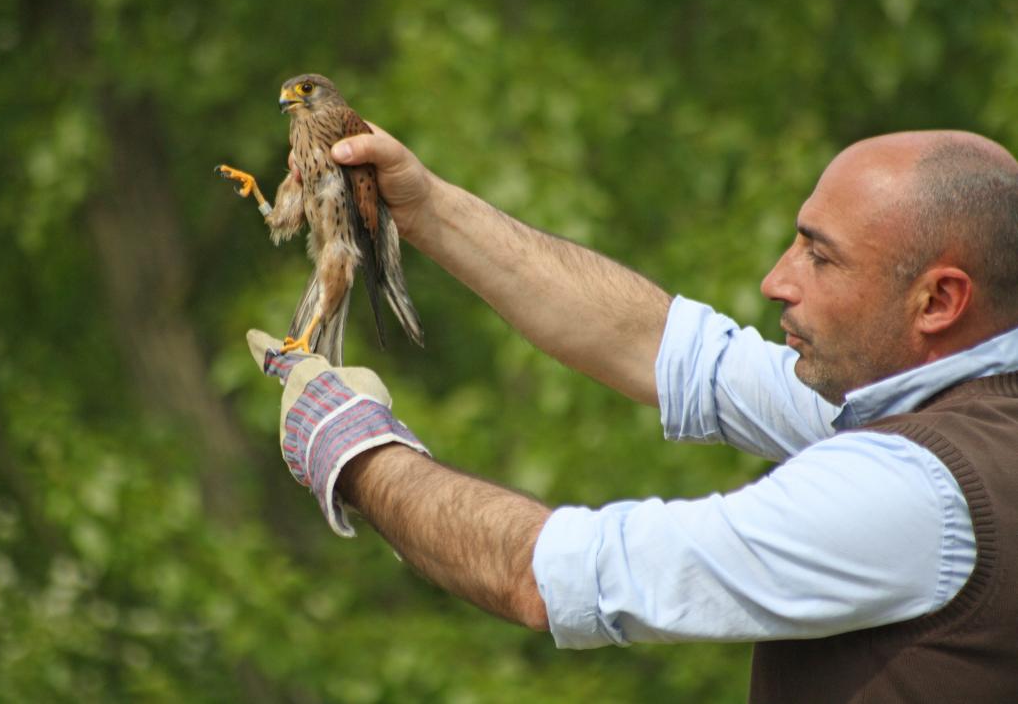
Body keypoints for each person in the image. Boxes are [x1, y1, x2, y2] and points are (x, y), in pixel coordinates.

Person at [245, 127, 1018, 702]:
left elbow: (548, 576)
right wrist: (426, 206)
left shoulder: (913, 490)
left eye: (820, 255)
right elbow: (672, 349)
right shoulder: (934, 405)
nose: (776, 279)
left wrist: (349, 447)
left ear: (939, 301)